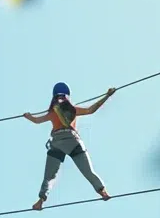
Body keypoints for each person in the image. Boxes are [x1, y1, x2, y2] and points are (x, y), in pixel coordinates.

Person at [22, 82, 115, 210]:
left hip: (57, 142)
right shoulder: (72, 110)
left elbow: (37, 120)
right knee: (87, 171)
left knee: (49, 176)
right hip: (72, 140)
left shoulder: (53, 112)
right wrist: (107, 96)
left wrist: (29, 117)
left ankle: (40, 201)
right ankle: (102, 192)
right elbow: (90, 110)